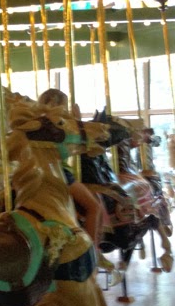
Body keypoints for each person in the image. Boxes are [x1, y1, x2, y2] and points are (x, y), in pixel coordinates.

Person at [37, 88, 119, 279]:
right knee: (94, 207)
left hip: (36, 174)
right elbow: (69, 149)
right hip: (59, 173)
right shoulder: (61, 123)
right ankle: (89, 253)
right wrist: (78, 120)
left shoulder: (37, 121)